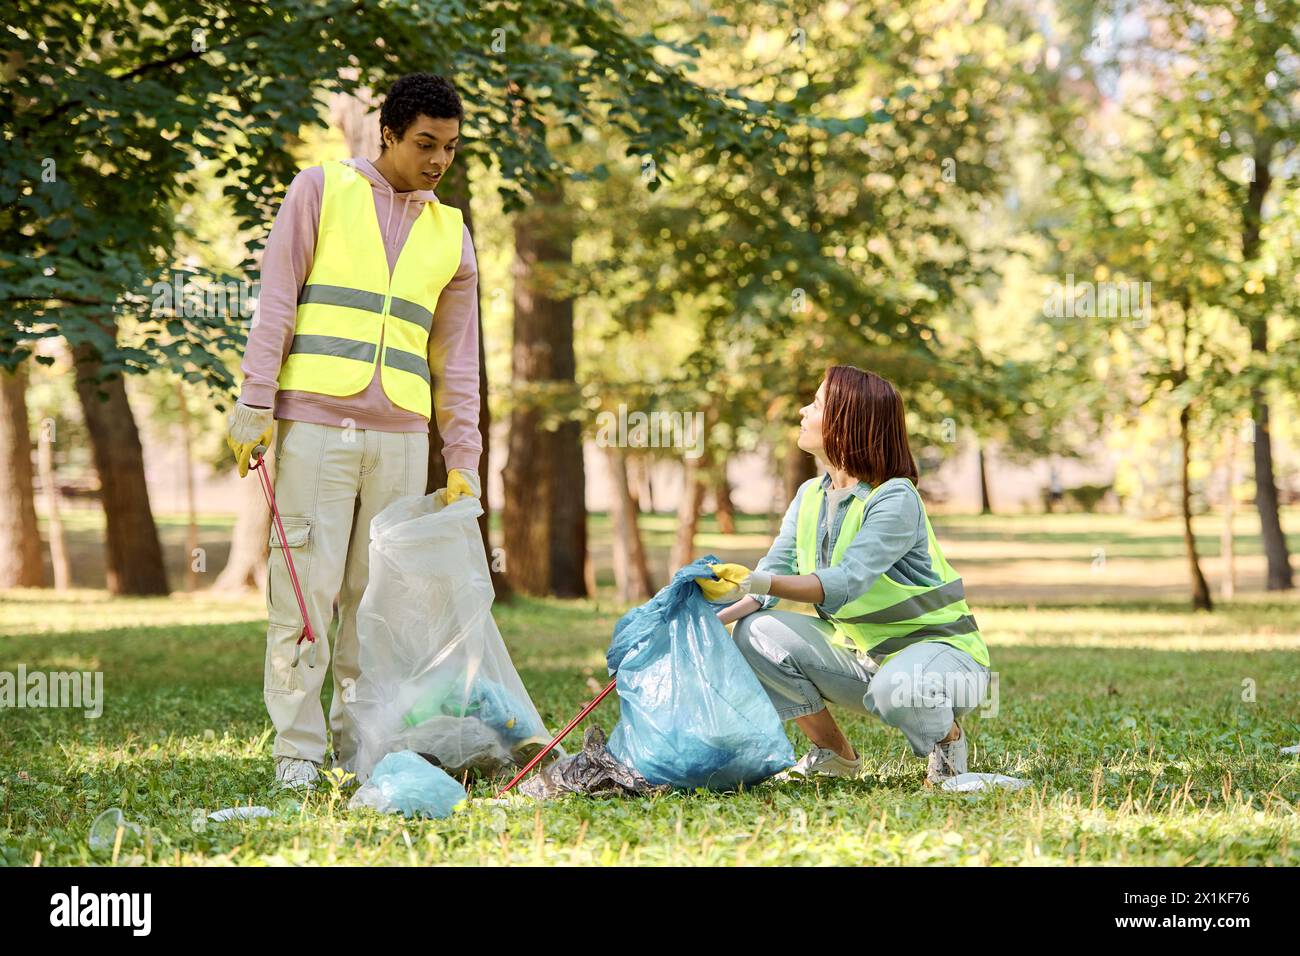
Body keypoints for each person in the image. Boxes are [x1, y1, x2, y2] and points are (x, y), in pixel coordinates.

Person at [225, 73, 483, 790]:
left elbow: (458, 361)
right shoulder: (320, 189)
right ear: (390, 136)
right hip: (313, 427)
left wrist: (462, 458)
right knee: (306, 594)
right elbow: (276, 298)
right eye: (425, 144)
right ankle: (298, 756)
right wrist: (254, 407)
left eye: (452, 148)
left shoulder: (451, 232)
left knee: (380, 609)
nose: (438, 160)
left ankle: (357, 749)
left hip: (401, 438)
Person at [696, 365, 991, 785]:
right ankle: (835, 757)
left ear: (845, 420)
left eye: (815, 405)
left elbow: (845, 582)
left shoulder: (895, 498)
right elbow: (769, 582)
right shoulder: (809, 496)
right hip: (868, 660)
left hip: (944, 660)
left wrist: (755, 580)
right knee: (754, 630)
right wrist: (705, 621)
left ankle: (948, 747)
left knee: (898, 687)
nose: (802, 411)